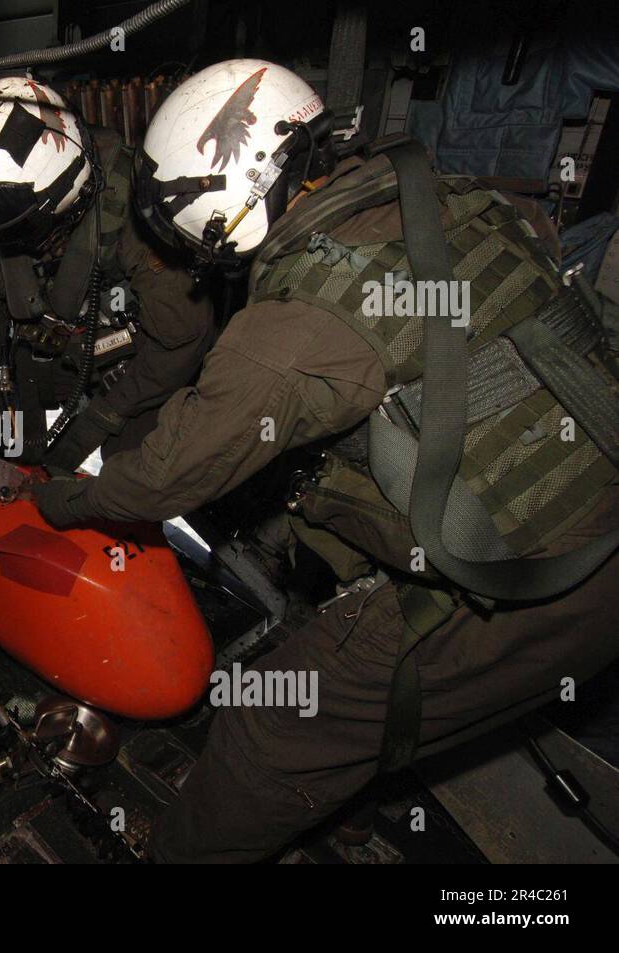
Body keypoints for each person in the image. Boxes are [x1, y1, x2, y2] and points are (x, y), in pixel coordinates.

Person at [33, 58, 619, 862]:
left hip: (529, 589)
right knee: (357, 681)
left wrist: (62, 499)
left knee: (268, 729)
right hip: (598, 519)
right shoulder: (446, 200)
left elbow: (169, 473)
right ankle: (338, 803)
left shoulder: (299, 323)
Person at [0, 77, 215, 472]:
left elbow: (182, 341)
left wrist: (93, 426)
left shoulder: (139, 220)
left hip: (138, 363)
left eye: (22, 234)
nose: (11, 246)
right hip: (53, 357)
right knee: (2, 435)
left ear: (73, 198)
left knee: (131, 460)